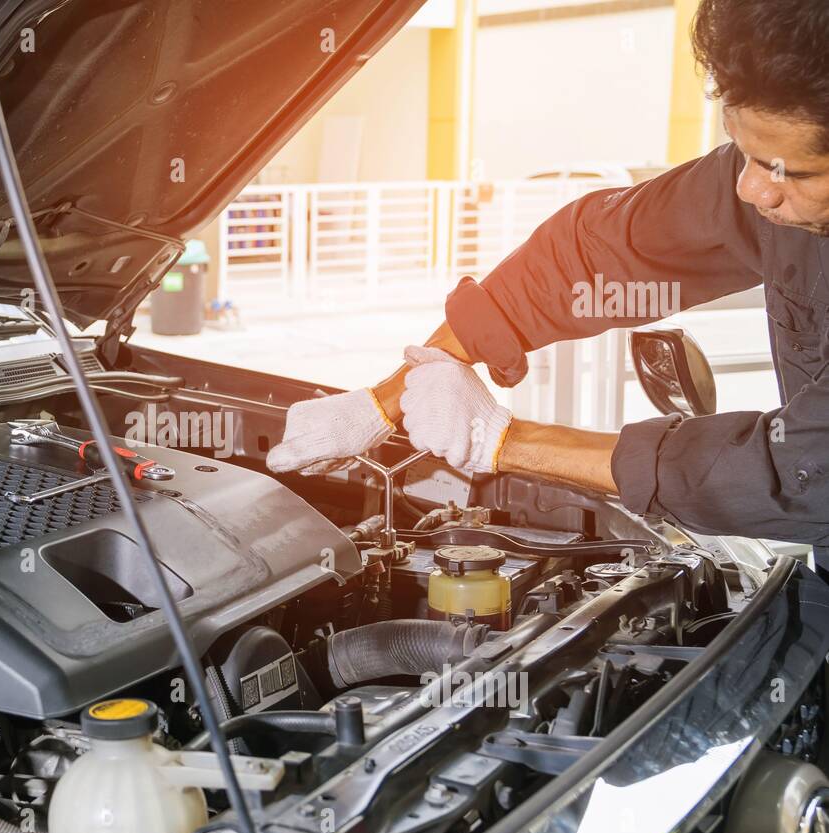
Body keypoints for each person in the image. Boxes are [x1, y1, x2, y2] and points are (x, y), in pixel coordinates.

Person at [269, 0, 829, 552]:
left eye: (791, 170)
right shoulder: (771, 173)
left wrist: (501, 440)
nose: (751, 190)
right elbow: (595, 255)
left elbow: (801, 470)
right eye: (745, 153)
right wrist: (379, 402)